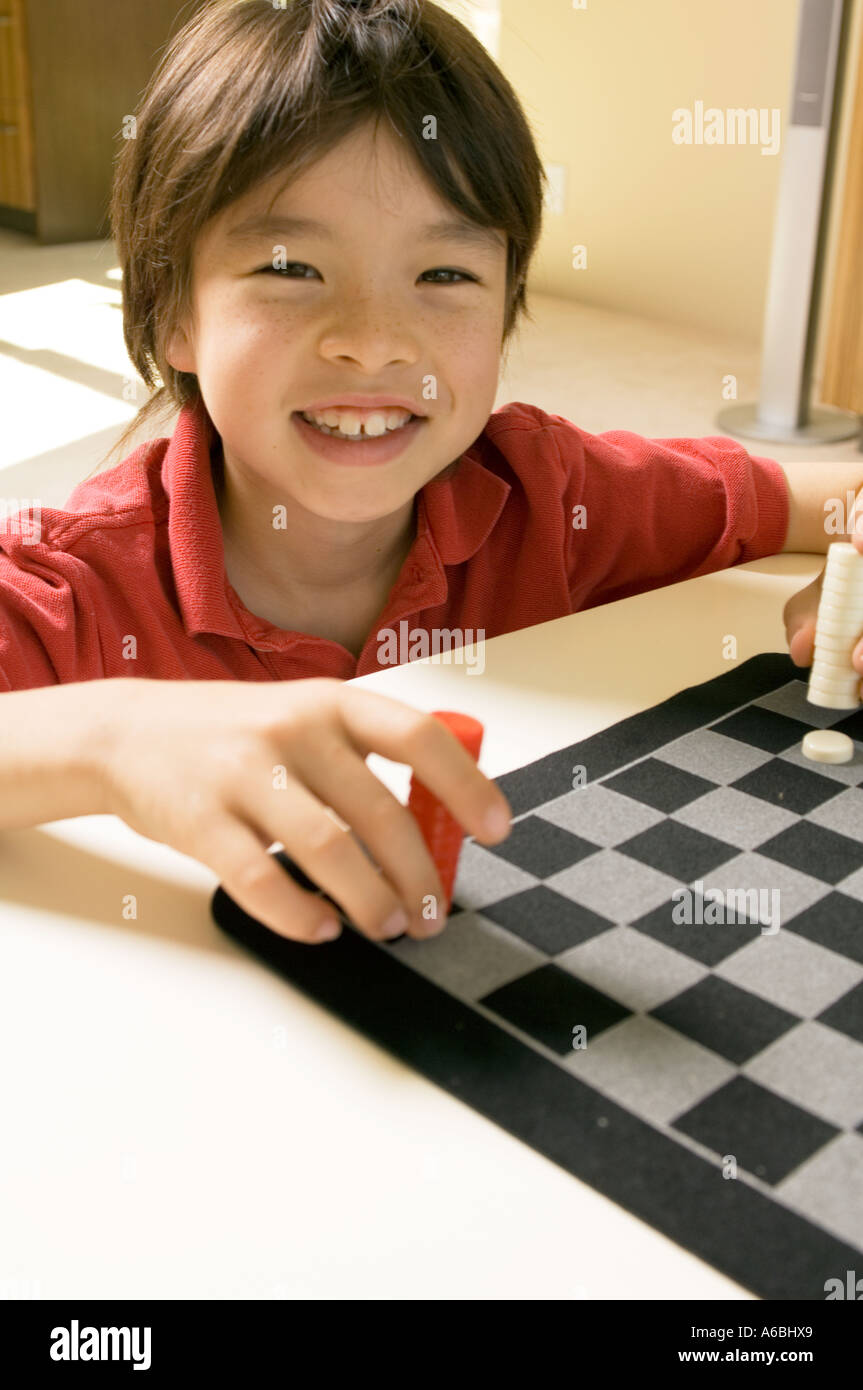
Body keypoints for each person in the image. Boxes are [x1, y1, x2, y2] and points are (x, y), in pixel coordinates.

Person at [0, 0, 857, 945]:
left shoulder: (553, 496)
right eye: (290, 267)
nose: (373, 344)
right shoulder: (73, 587)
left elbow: (839, 498)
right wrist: (113, 737)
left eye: (444, 275)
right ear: (173, 315)